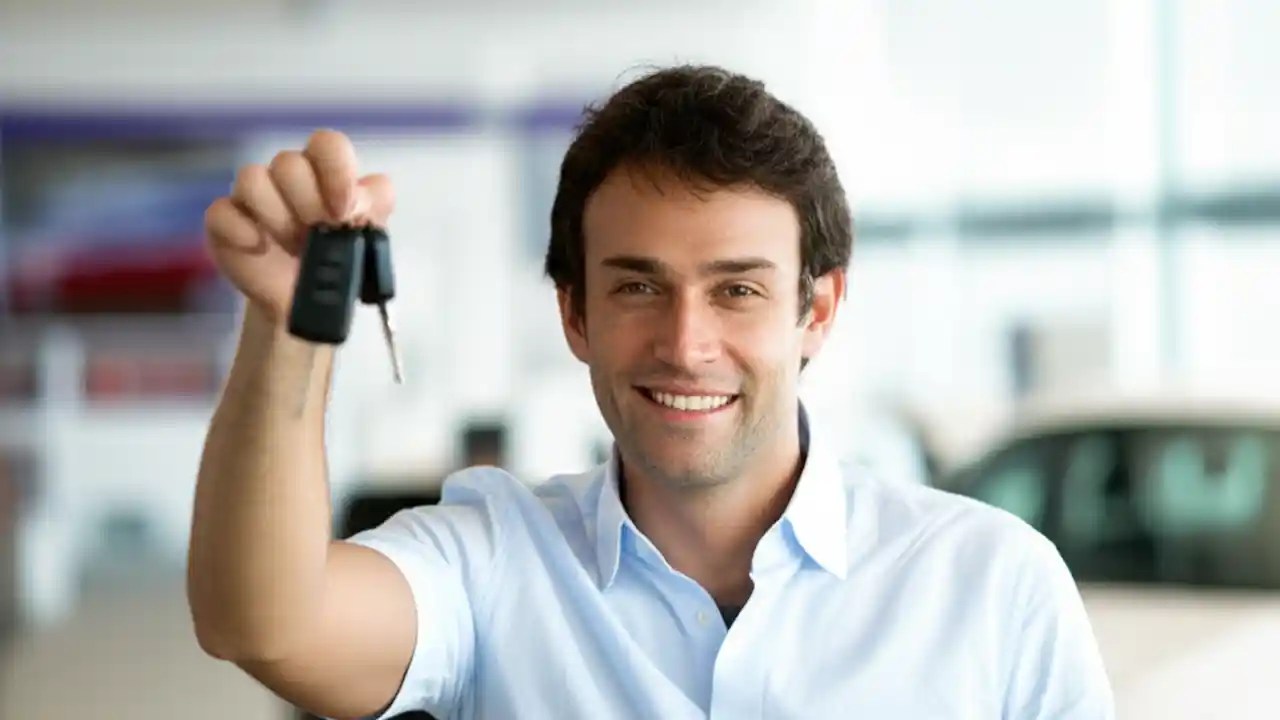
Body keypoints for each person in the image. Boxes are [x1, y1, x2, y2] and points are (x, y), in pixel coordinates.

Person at [188, 65, 1115, 719]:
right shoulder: (494, 564)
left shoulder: (993, 586)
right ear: (575, 314)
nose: (685, 342)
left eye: (737, 290)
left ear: (817, 311)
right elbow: (267, 623)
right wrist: (286, 323)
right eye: (637, 286)